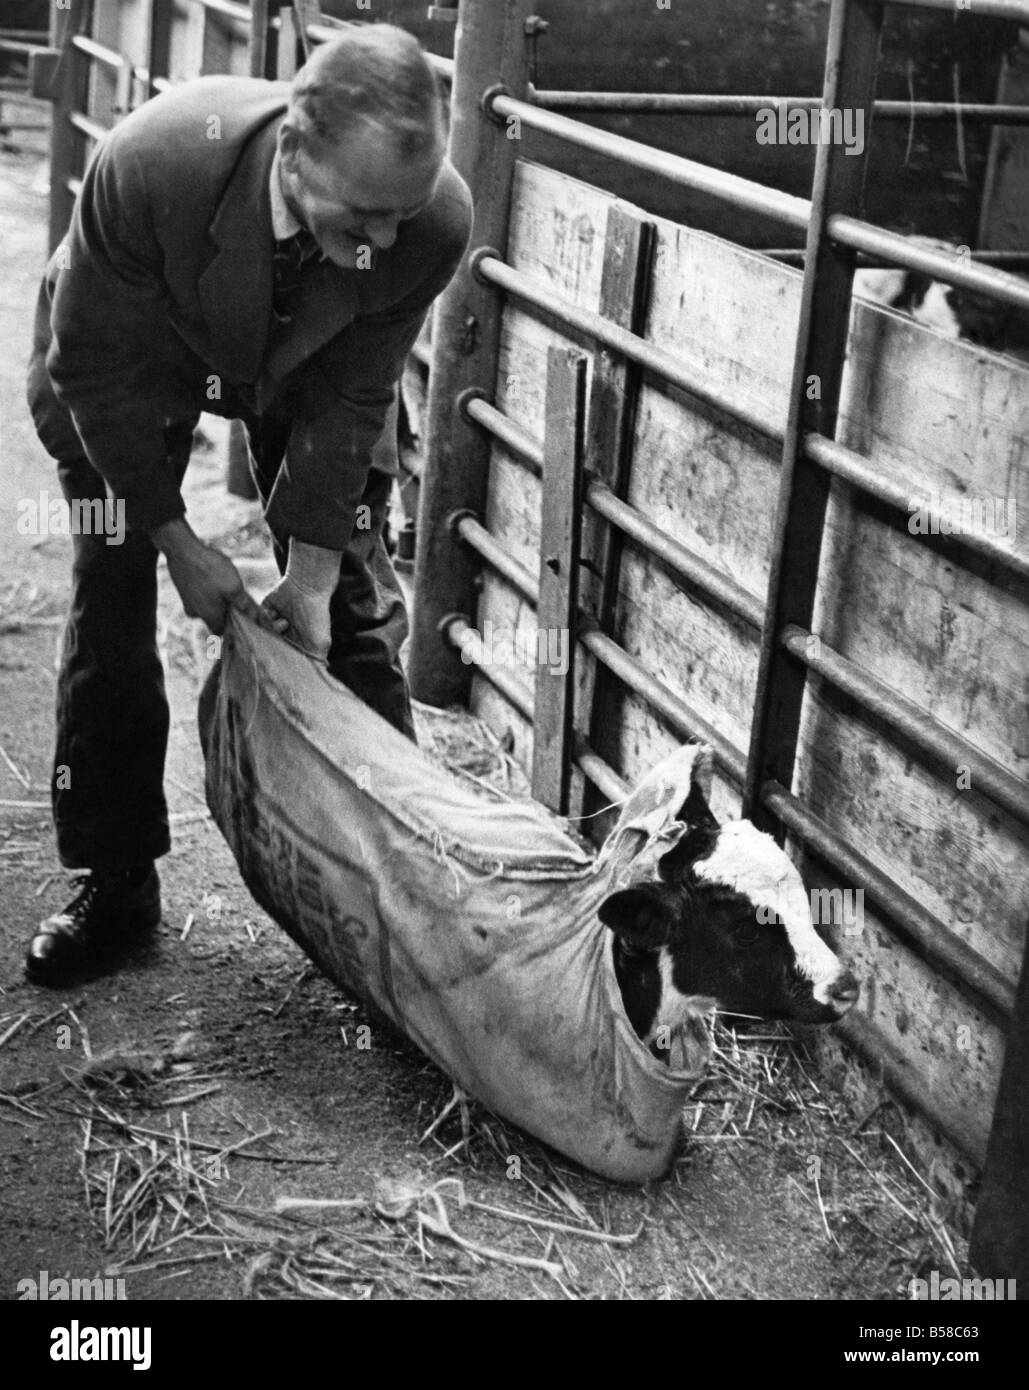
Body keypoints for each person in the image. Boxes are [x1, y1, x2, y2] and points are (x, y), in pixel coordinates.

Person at [23, 25, 472, 985]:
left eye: (402, 215)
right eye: (364, 218)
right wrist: (178, 538)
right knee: (113, 583)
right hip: (133, 354)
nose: (387, 241)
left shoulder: (424, 220)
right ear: (295, 156)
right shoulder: (151, 166)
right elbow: (93, 371)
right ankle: (117, 877)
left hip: (303, 365)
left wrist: (307, 575)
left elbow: (353, 398)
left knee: (348, 602)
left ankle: (401, 898)